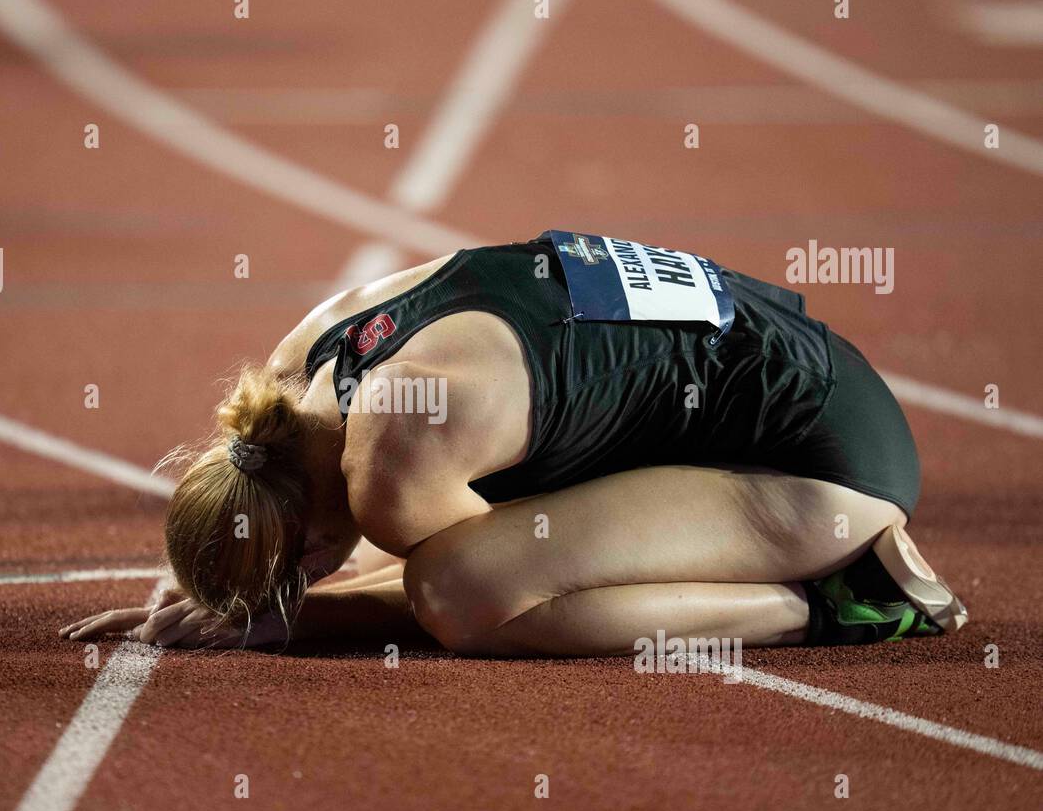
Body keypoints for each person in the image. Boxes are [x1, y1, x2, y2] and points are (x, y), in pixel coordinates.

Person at [60, 233, 966, 656]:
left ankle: (835, 601)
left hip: (818, 467)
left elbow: (488, 580)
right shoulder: (309, 356)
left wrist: (293, 620)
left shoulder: (391, 469)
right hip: (798, 363)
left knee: (459, 590)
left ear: (311, 546)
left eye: (300, 573)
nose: (322, 580)